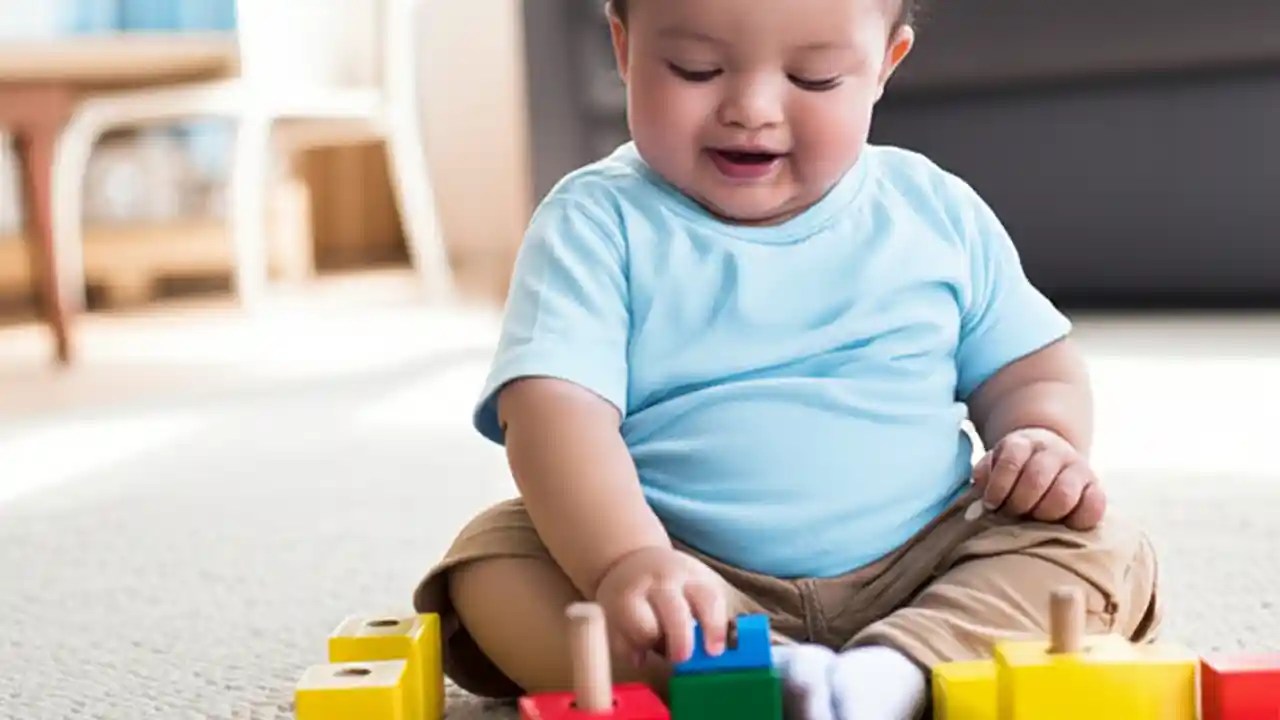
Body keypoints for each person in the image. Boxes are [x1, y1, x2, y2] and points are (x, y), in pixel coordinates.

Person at [414, 1, 1162, 717]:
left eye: (815, 79)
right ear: (624, 48)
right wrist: (625, 562)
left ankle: (897, 670)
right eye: (695, 69)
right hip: (685, 570)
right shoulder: (594, 222)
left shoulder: (934, 209)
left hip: (927, 556)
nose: (752, 108)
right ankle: (747, 674)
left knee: (1100, 546)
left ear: (884, 66)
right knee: (491, 565)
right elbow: (552, 413)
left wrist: (1043, 442)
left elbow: (1032, 369)